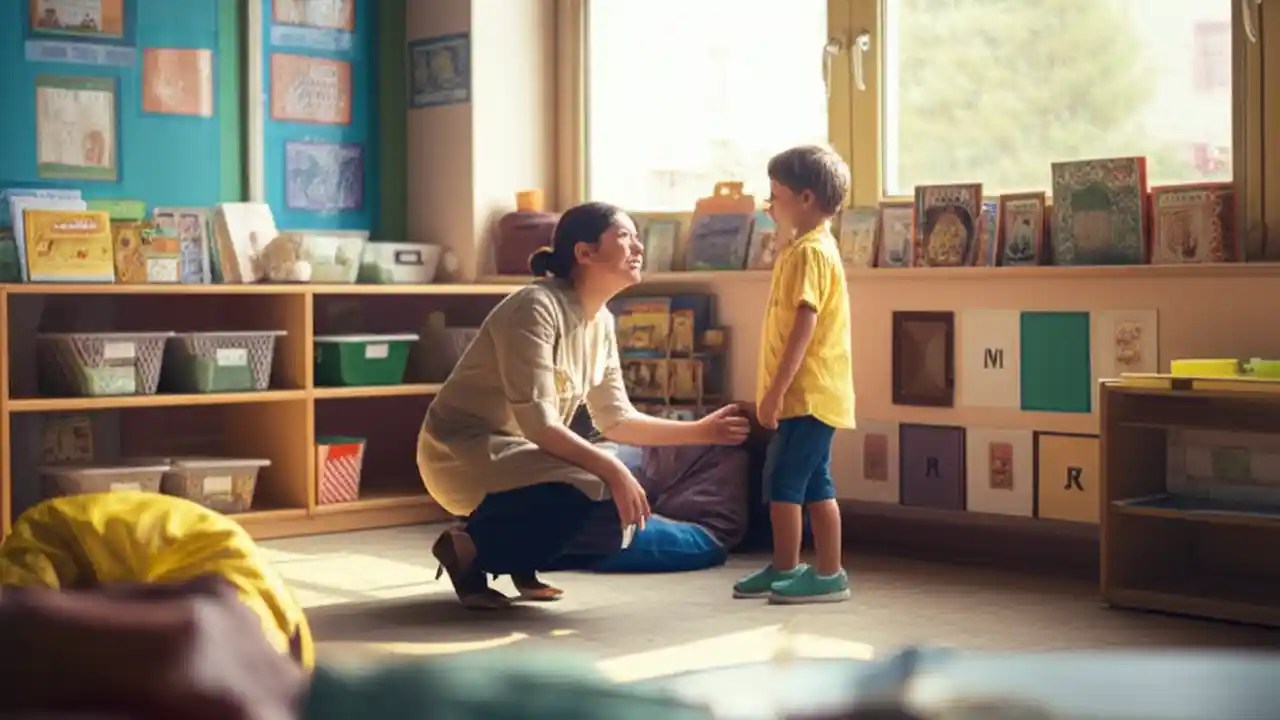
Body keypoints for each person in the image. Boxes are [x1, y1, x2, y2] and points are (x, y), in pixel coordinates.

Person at [417, 201, 751, 609]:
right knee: (599, 484)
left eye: (637, 238)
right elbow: (540, 425)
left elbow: (616, 419)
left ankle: (518, 558)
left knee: (607, 479)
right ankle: (471, 548)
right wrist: (612, 470)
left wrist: (704, 432)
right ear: (585, 252)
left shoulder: (602, 321)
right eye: (625, 236)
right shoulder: (534, 307)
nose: (638, 248)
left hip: (520, 454)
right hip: (461, 450)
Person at [733, 145, 855, 605]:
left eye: (774, 195)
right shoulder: (803, 249)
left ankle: (792, 566)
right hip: (814, 395)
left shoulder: (809, 253)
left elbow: (804, 326)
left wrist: (774, 393)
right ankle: (827, 571)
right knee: (816, 483)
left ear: (805, 198)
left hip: (807, 394)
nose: (770, 205)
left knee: (782, 481)